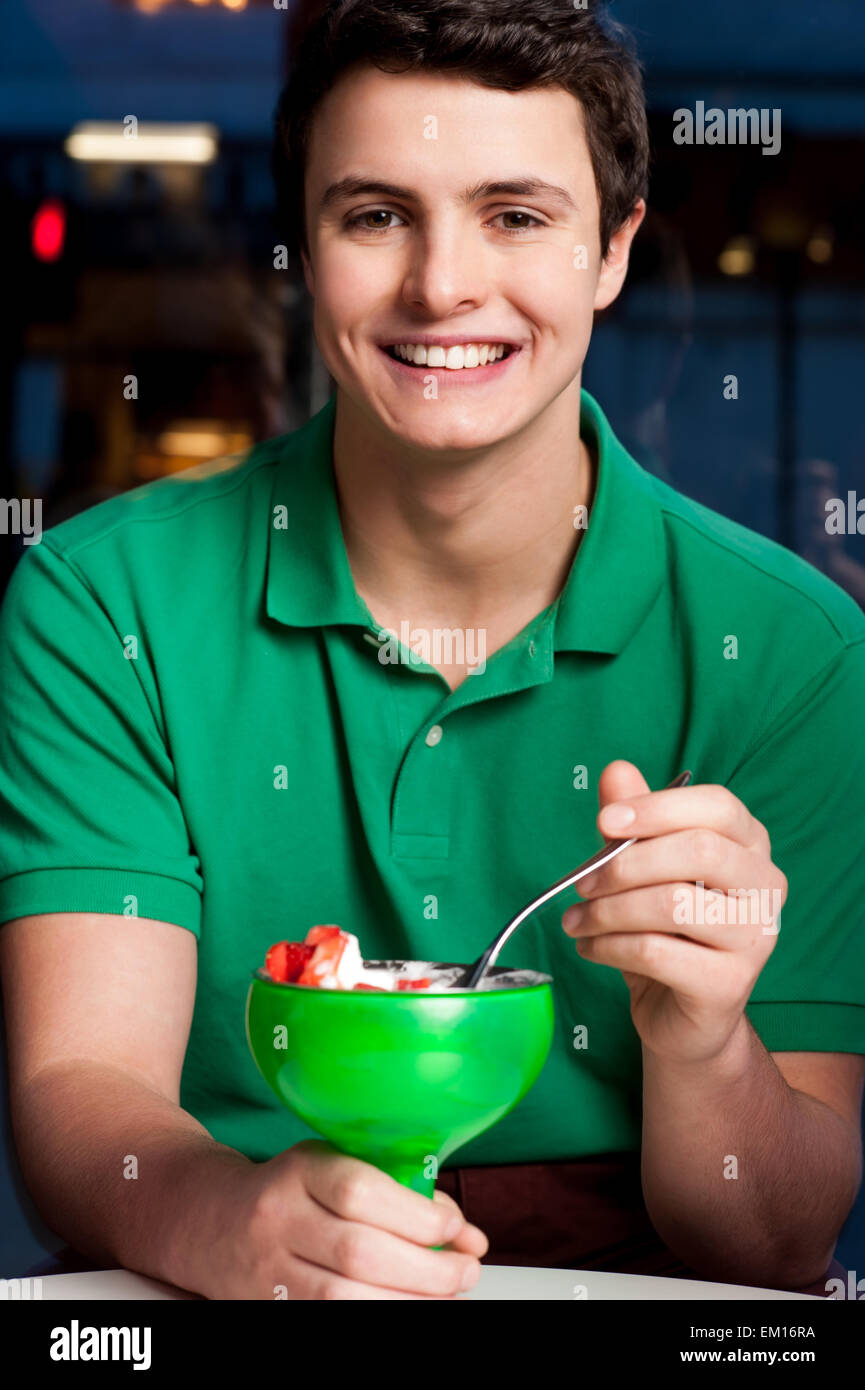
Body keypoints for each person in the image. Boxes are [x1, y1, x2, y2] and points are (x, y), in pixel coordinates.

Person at [2, 0, 864, 1301]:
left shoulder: (794, 651)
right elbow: (83, 1091)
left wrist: (700, 1041)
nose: (440, 284)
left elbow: (779, 1239)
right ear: (306, 246)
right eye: (373, 215)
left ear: (612, 249)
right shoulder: (100, 599)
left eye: (515, 215)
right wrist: (224, 1222)